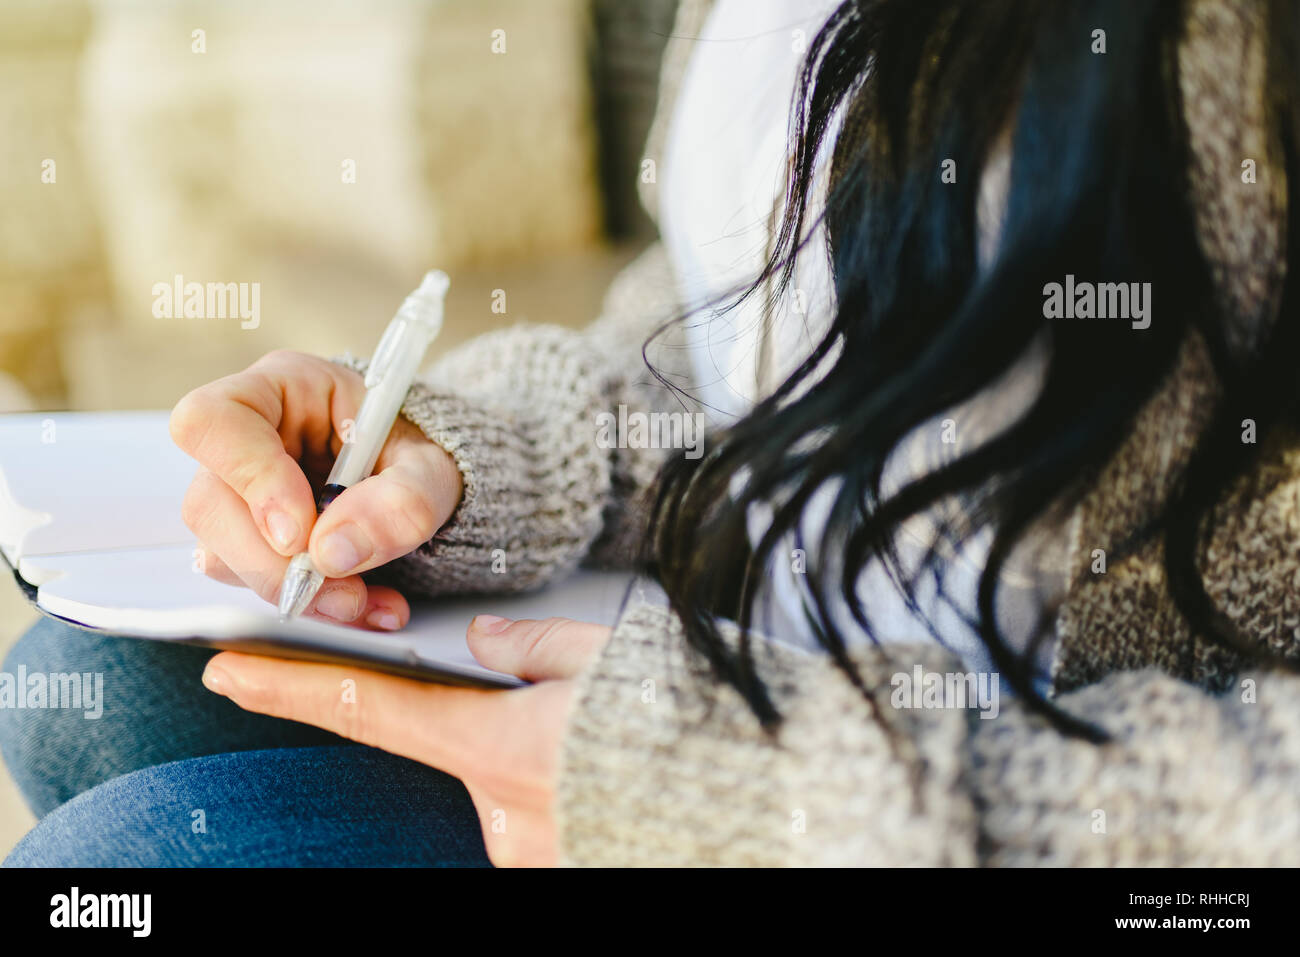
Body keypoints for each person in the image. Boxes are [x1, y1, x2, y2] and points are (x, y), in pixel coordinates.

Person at [5, 0, 1300, 867]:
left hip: (954, 819)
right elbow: (735, 330)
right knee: (85, 686)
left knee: (115, 866)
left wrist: (753, 808)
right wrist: (475, 458)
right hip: (723, 690)